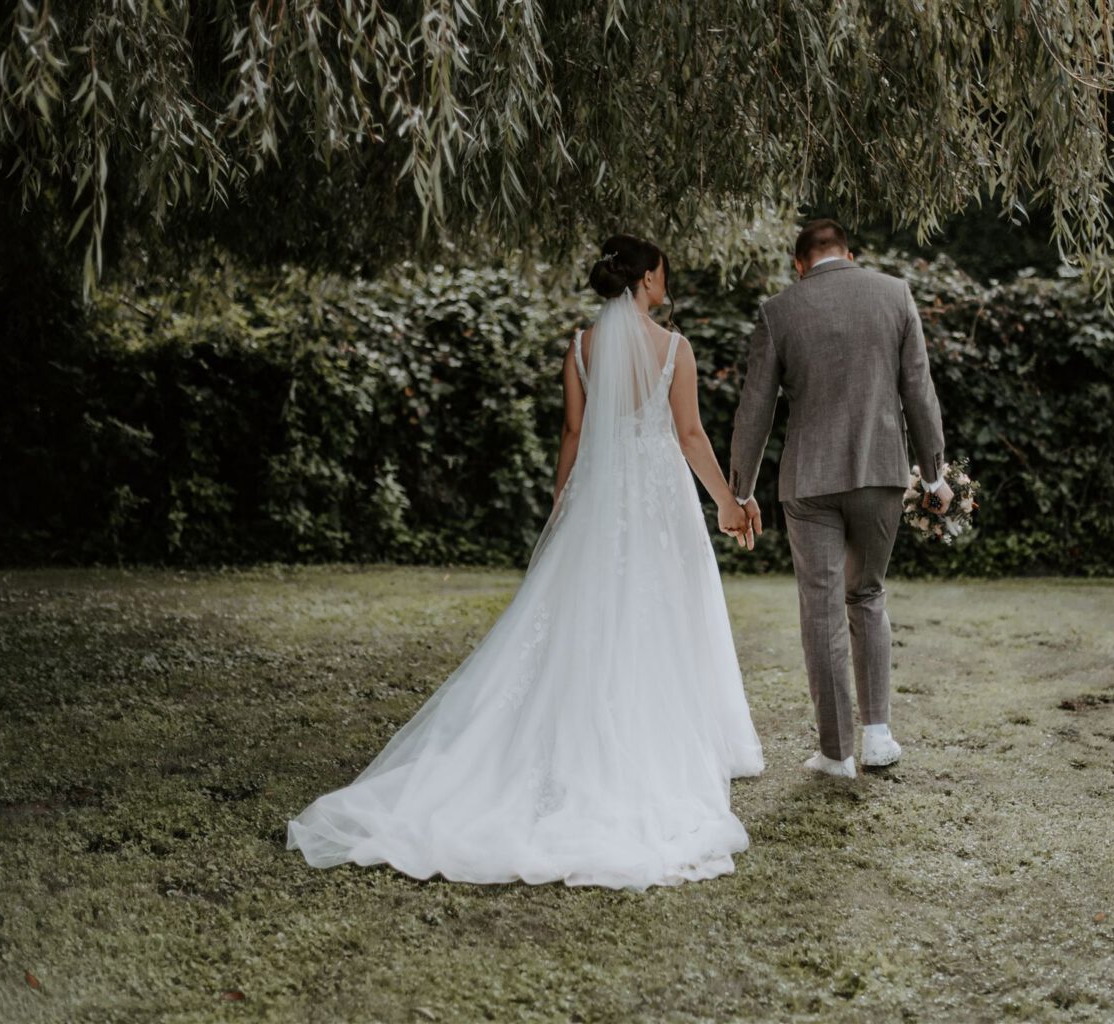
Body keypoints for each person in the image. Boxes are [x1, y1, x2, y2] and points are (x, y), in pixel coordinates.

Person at [286, 234, 765, 890]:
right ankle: (652, 743)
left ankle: (574, 737)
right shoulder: (673, 350)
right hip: (658, 502)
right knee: (661, 614)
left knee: (583, 613)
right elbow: (687, 435)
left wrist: (561, 507)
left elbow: (572, 434)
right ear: (647, 279)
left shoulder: (581, 347)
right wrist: (729, 504)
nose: (665, 282)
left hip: (598, 499)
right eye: (661, 273)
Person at [729, 219, 951, 778]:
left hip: (808, 482)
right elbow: (919, 391)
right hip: (880, 471)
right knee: (868, 595)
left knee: (821, 610)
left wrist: (741, 490)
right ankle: (877, 736)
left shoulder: (779, 310)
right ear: (850, 253)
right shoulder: (894, 293)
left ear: (799, 263)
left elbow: (755, 408)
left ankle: (836, 753)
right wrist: (932, 475)